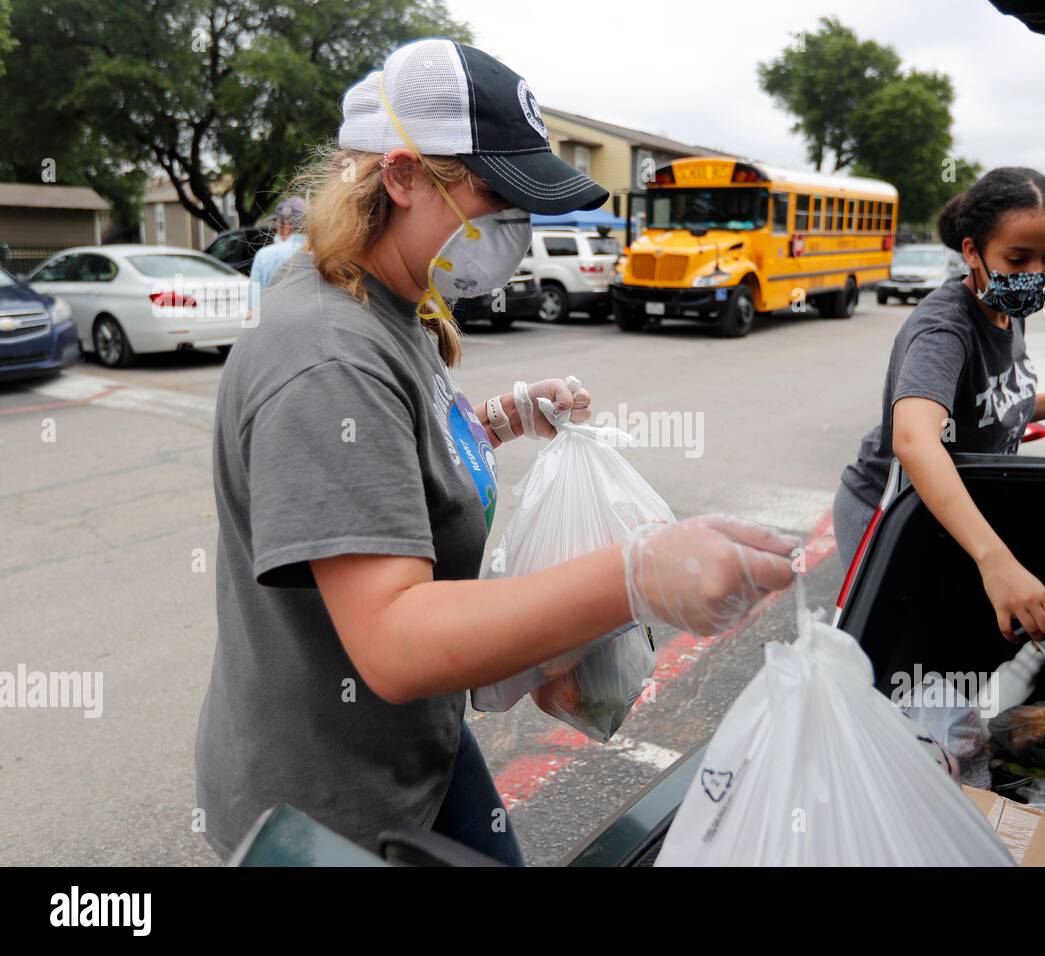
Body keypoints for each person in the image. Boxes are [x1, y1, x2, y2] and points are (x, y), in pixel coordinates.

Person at [195, 37, 797, 865]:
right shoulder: (326, 352)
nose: (513, 227)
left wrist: (500, 421)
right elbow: (398, 640)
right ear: (401, 176)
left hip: (415, 754)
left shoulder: (388, 306)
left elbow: (383, 463)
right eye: (495, 197)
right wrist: (636, 574)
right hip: (334, 812)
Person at [833, 167, 1045, 641]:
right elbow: (915, 440)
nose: (1035, 275)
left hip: (952, 510)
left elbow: (994, 405)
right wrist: (994, 560)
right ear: (972, 252)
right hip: (893, 511)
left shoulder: (1007, 311)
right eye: (1018, 259)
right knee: (906, 654)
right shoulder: (944, 329)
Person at [249, 196, 308, 290]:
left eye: (277, 224)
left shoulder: (264, 256)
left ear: (287, 226)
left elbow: (253, 300)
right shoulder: (322, 253)